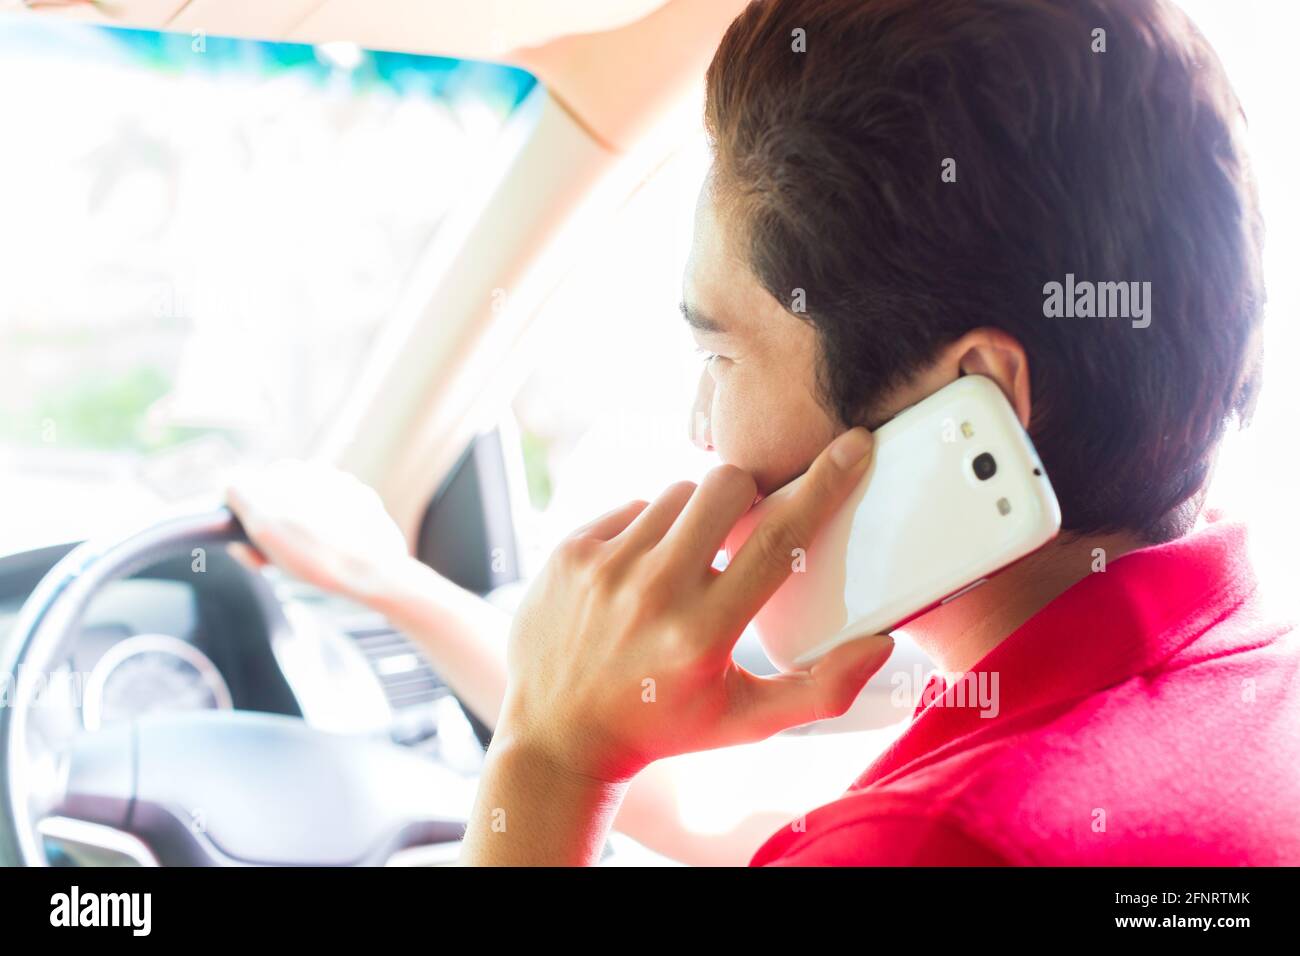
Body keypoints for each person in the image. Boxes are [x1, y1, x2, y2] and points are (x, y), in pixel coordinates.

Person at [229, 0, 1299, 866]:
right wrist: (404, 591)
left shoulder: (930, 841)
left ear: (972, 397)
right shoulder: (1231, 665)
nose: (703, 432)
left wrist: (544, 771)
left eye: (720, 358)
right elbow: (728, 825)